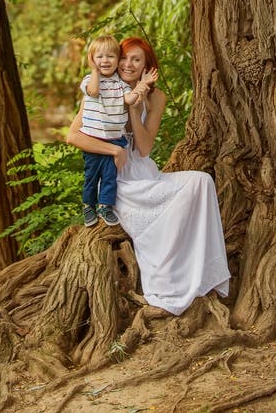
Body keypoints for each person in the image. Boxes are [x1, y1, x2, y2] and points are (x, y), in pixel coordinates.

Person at [66, 36, 231, 315]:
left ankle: (202, 272)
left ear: (147, 66)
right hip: (117, 178)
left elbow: (143, 149)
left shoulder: (156, 97)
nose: (128, 64)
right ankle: (166, 281)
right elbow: (73, 136)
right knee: (157, 216)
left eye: (137, 59)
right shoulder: (100, 90)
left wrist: (134, 106)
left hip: (144, 172)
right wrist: (114, 151)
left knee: (201, 181)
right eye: (125, 58)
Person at [79, 34, 154, 227]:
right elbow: (94, 91)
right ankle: (88, 205)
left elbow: (128, 100)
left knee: (109, 177)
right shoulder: (89, 80)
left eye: (111, 56)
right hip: (96, 141)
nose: (105, 61)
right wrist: (94, 70)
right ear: (92, 59)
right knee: (92, 176)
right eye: (100, 57)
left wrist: (142, 86)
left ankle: (105, 206)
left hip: (114, 139)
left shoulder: (120, 85)